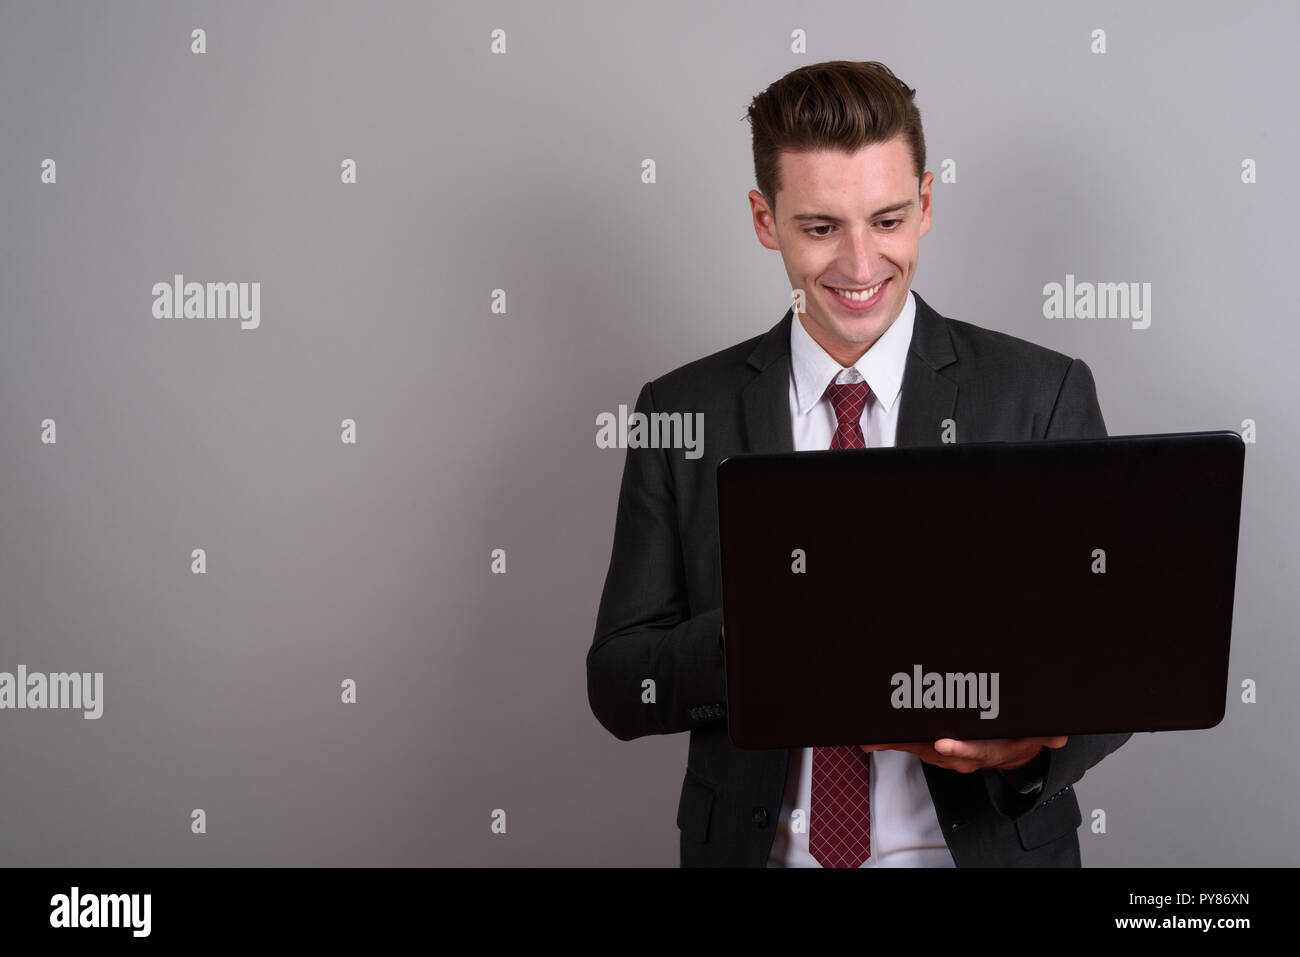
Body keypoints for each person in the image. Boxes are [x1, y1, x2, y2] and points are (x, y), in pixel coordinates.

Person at [586, 60, 1130, 867]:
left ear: (927, 203)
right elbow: (620, 678)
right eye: (819, 228)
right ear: (765, 219)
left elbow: (1118, 653)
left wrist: (1027, 751)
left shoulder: (1041, 393)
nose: (860, 264)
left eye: (887, 219)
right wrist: (751, 642)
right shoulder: (680, 410)